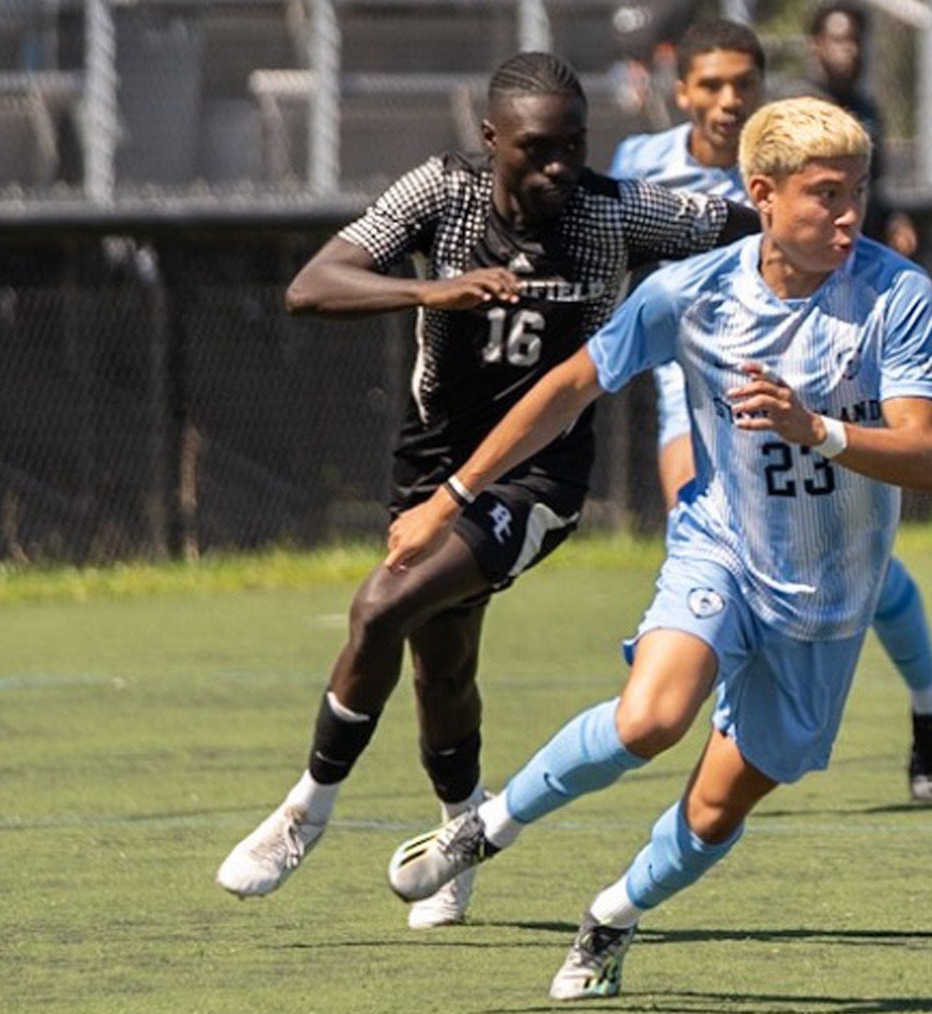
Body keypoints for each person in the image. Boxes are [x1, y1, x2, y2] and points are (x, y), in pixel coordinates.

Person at [382, 95, 932, 1001]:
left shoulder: (896, 294)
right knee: (650, 718)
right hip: (720, 548)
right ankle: (485, 826)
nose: (850, 215)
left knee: (718, 805)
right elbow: (568, 389)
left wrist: (821, 433)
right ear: (761, 194)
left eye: (859, 192)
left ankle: (611, 917)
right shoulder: (691, 292)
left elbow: (929, 459)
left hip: (829, 597)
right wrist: (453, 495)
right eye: (826, 194)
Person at [214, 51, 758, 930]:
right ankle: (458, 839)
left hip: (538, 479)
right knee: (442, 662)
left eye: (573, 148)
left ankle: (304, 812)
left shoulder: (614, 213)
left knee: (381, 604)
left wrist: (829, 243)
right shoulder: (441, 193)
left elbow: (746, 225)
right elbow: (311, 286)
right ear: (490, 138)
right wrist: (436, 288)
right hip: (430, 465)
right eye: (536, 150)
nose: (556, 169)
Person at [610, 17, 932, 801]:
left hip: (808, 377)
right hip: (697, 380)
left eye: (745, 84)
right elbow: (615, 252)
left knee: (838, 549)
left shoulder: (794, 157)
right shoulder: (640, 163)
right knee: (703, 536)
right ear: (682, 92)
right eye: (713, 85)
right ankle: (703, 697)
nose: (730, 99)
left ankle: (929, 701)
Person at [806, 1, 917, 258]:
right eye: (839, 40)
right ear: (817, 44)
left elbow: (875, 183)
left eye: (855, 40)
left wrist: (892, 219)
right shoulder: (800, 104)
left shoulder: (867, 109)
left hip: (862, 246)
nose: (849, 50)